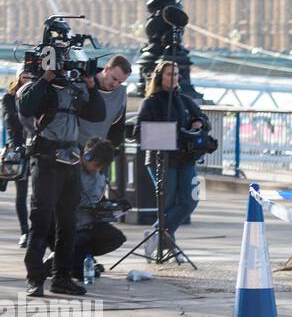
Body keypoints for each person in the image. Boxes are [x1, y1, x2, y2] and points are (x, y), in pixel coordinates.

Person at [18, 62, 105, 296]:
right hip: (46, 160)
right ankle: (35, 279)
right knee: (40, 220)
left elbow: (98, 114)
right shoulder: (35, 88)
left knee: (68, 224)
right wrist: (45, 78)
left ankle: (61, 278)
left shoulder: (74, 89)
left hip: (71, 161)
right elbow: (26, 108)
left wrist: (91, 85)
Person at [136, 60, 210, 256]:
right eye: (169, 74)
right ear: (160, 77)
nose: (174, 78)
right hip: (161, 159)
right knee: (167, 204)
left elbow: (204, 119)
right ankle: (167, 246)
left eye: (176, 74)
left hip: (186, 159)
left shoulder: (185, 100)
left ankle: (155, 233)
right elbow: (139, 132)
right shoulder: (151, 102)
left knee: (190, 201)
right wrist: (169, 132)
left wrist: (198, 122)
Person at [74, 137, 127, 271]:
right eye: (97, 165)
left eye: (102, 166)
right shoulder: (72, 173)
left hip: (89, 223)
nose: (98, 169)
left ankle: (84, 257)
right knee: (81, 271)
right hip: (70, 225)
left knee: (116, 238)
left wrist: (114, 206)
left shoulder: (100, 176)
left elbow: (99, 200)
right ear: (86, 156)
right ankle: (67, 260)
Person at [2, 68, 35, 247]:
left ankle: (37, 231)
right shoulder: (9, 97)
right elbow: (10, 121)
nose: (28, 79)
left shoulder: (37, 94)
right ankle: (24, 231)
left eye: (31, 76)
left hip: (36, 146)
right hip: (19, 149)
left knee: (37, 194)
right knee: (21, 193)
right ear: (19, 76)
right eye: (25, 76)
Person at [78, 55, 131, 147]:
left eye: (120, 82)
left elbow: (118, 128)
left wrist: (110, 151)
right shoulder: (81, 82)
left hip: (98, 152)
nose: (115, 84)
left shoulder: (120, 94)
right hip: (72, 147)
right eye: (114, 78)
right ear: (106, 69)